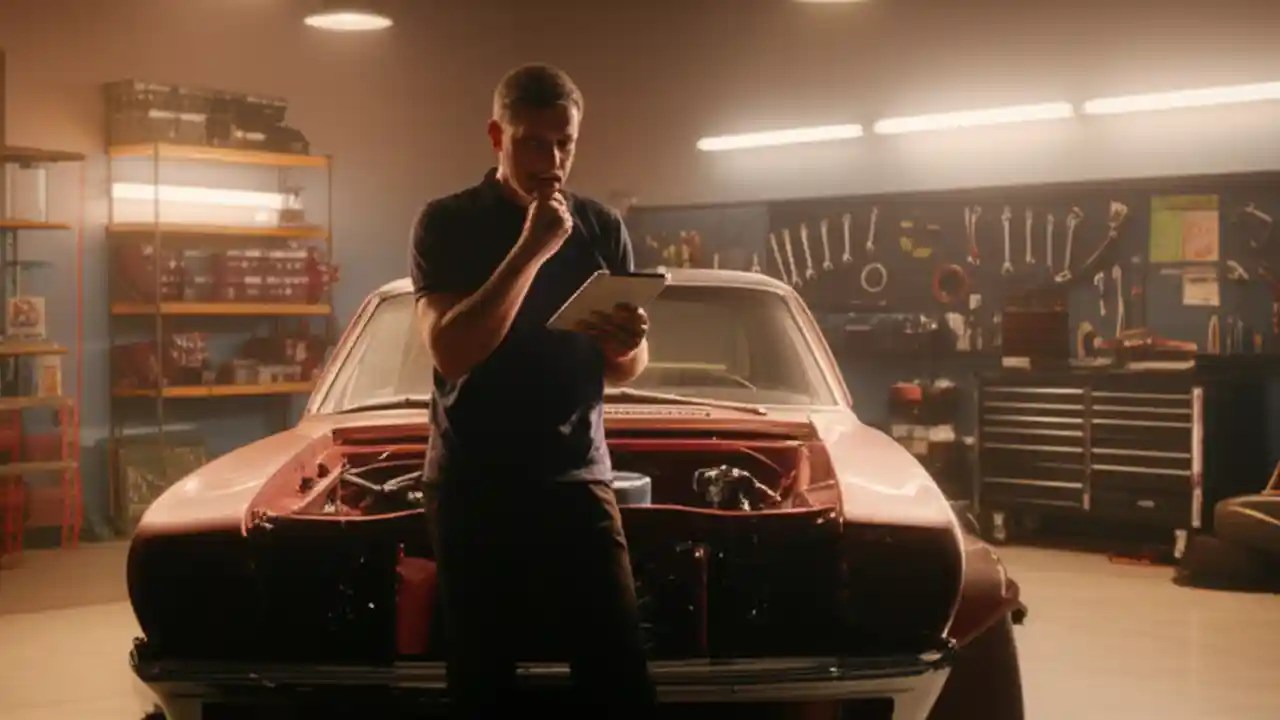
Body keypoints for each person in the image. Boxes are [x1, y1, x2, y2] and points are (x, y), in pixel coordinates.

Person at [409, 63, 656, 718]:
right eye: (532, 142)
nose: (551, 159)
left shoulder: (602, 227)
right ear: (497, 136)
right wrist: (531, 249)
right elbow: (451, 351)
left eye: (564, 142)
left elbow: (626, 370)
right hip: (472, 482)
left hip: (577, 476)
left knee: (620, 677)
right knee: (483, 681)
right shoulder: (447, 223)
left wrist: (626, 345)